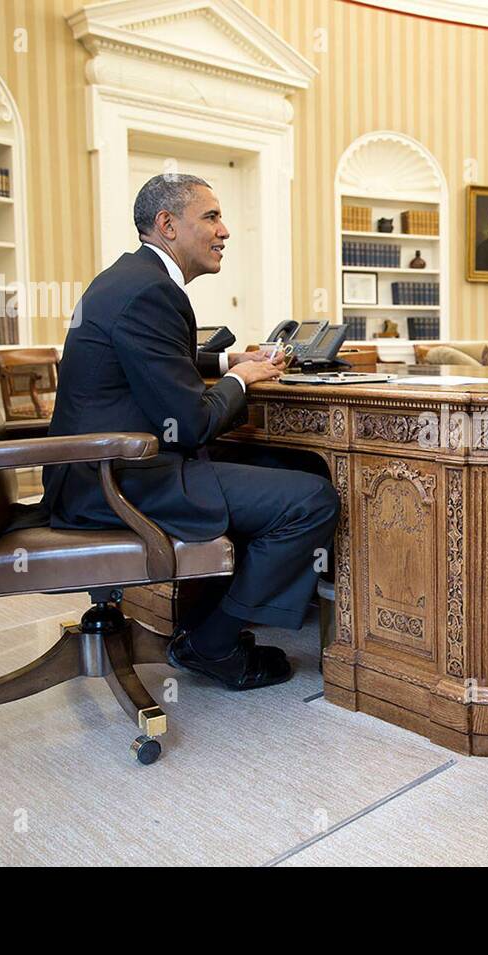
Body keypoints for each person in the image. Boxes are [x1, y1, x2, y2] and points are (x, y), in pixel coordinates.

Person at [42, 173, 340, 691]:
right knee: (311, 498)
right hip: (118, 484)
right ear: (168, 225)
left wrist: (228, 357)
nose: (224, 230)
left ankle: (205, 620)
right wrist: (239, 379)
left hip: (96, 473)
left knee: (281, 467)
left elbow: (150, 356)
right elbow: (195, 422)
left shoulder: (130, 279)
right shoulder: (152, 291)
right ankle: (213, 644)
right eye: (211, 217)